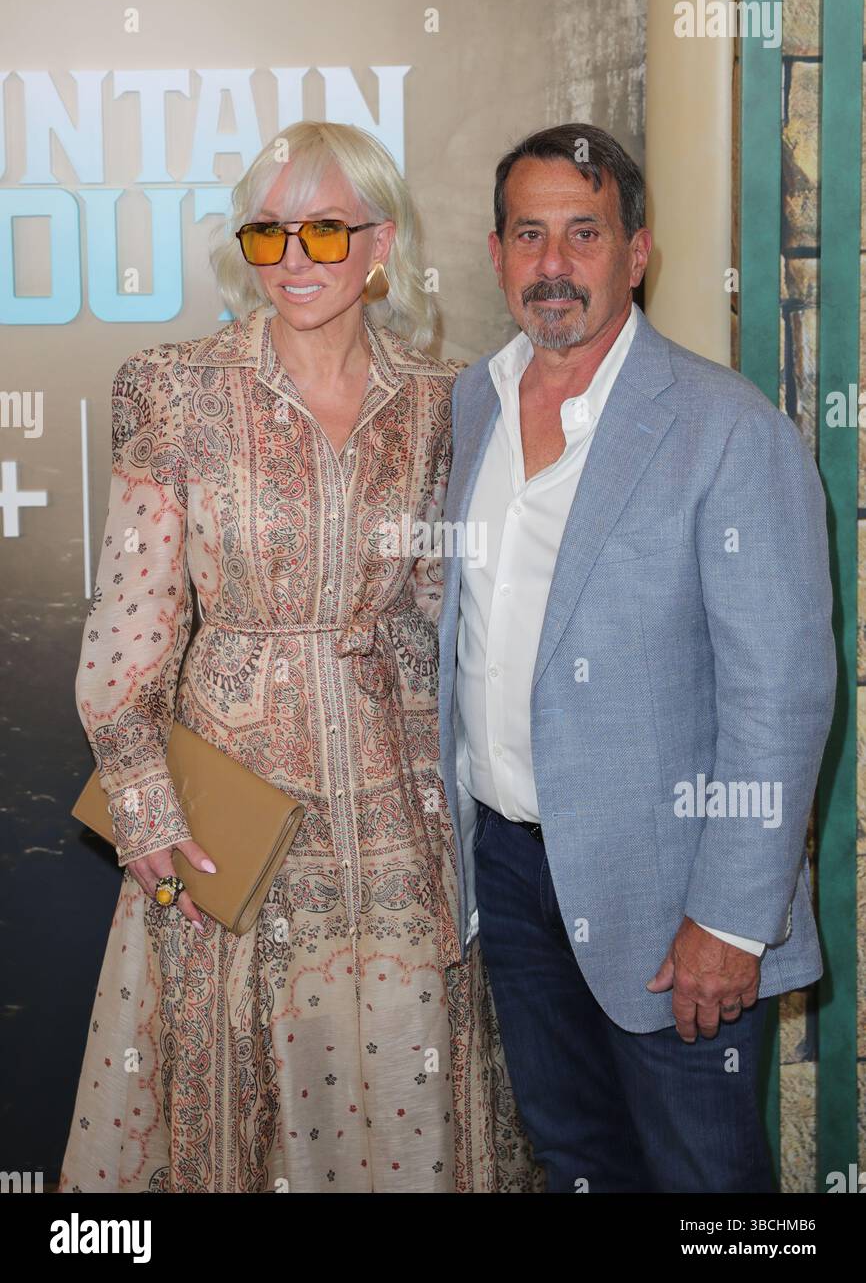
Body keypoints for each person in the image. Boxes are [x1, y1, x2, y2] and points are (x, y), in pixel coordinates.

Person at [59, 121, 540, 1194]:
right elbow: (132, 622)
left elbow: (442, 623)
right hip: (226, 809)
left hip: (396, 823)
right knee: (236, 1091)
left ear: (379, 248)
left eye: (325, 230)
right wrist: (142, 808)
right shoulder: (171, 388)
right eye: (269, 233)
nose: (294, 259)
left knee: (401, 1086)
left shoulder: (444, 401)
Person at [436, 122, 836, 1193]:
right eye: (529, 235)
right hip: (511, 874)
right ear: (494, 253)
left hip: (674, 901)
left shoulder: (724, 428)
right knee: (574, 1162)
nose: (552, 264)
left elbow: (783, 692)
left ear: (636, 252)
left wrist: (731, 918)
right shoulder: (466, 406)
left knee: (707, 1182)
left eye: (583, 233)